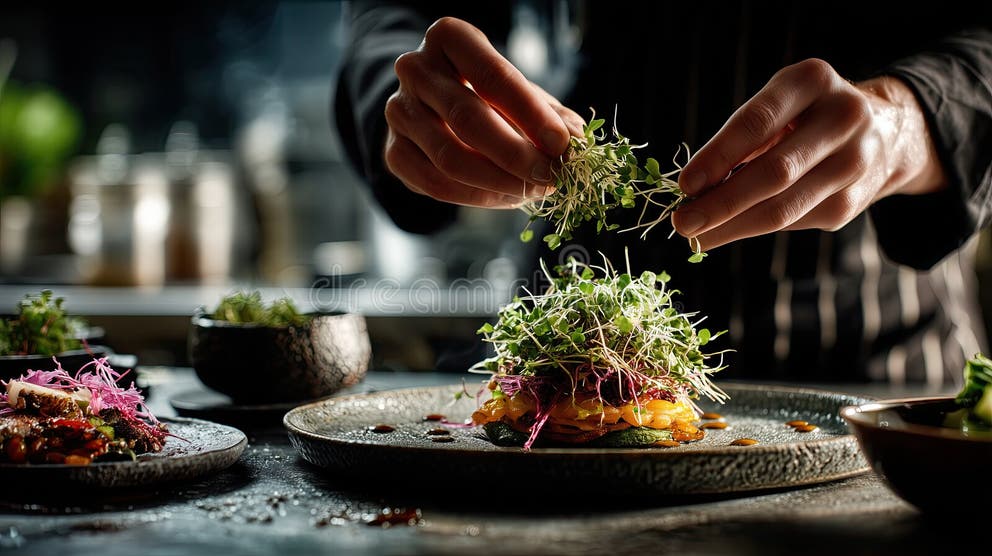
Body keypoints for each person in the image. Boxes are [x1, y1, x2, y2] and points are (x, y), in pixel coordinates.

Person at [333, 1, 992, 386]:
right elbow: (392, 20)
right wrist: (406, 98)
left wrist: (912, 119)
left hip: (872, 367)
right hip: (564, 363)